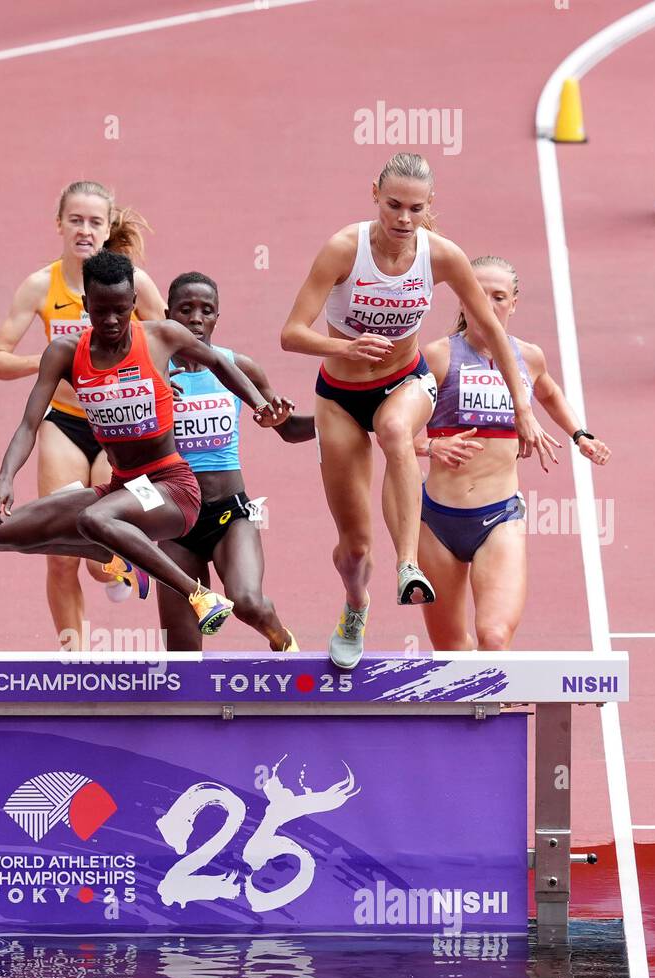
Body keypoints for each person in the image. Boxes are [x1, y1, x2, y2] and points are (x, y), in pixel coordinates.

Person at [280, 152, 555, 669]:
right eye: (394, 205)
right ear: (374, 196)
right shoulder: (345, 249)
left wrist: (524, 407)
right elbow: (291, 333)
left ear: (429, 207)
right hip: (339, 393)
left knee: (394, 429)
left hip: (405, 381)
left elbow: (493, 329)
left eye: (415, 208)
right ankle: (356, 604)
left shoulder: (442, 255)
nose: (403, 219)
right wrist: (343, 348)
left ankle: (408, 564)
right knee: (355, 549)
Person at [0, 251, 290, 638]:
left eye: (120, 310)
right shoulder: (64, 353)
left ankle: (199, 595)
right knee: (3, 534)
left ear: (133, 302)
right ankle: (120, 553)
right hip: (123, 487)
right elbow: (29, 424)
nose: (111, 321)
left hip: (171, 488)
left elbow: (220, 364)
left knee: (94, 519)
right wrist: (4, 478)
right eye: (100, 311)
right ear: (85, 306)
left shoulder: (162, 336)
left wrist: (260, 404)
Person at [0, 180, 166, 647]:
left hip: (122, 428)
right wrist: (53, 360)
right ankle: (74, 660)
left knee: (99, 553)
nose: (84, 230)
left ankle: (122, 568)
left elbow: (175, 348)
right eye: (76, 220)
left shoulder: (134, 283)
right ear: (59, 224)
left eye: (95, 222)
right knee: (61, 554)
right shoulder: (41, 286)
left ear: (108, 229)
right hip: (64, 424)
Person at [417, 254, 610, 650]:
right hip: (438, 521)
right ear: (461, 298)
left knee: (494, 637)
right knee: (451, 647)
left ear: (514, 303)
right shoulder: (437, 357)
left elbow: (550, 393)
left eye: (499, 297)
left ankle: (493, 709)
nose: (488, 306)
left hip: (499, 516)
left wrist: (580, 434)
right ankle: (468, 707)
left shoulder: (529, 357)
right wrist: (432, 445)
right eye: (478, 294)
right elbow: (393, 434)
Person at [159, 271, 315, 652]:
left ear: (216, 318)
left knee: (247, 602)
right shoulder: (153, 372)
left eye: (206, 310)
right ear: (167, 315)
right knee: (181, 644)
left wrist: (343, 417)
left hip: (229, 514)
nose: (196, 318)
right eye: (185, 309)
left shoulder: (237, 366)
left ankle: (285, 644)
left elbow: (288, 429)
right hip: (175, 519)